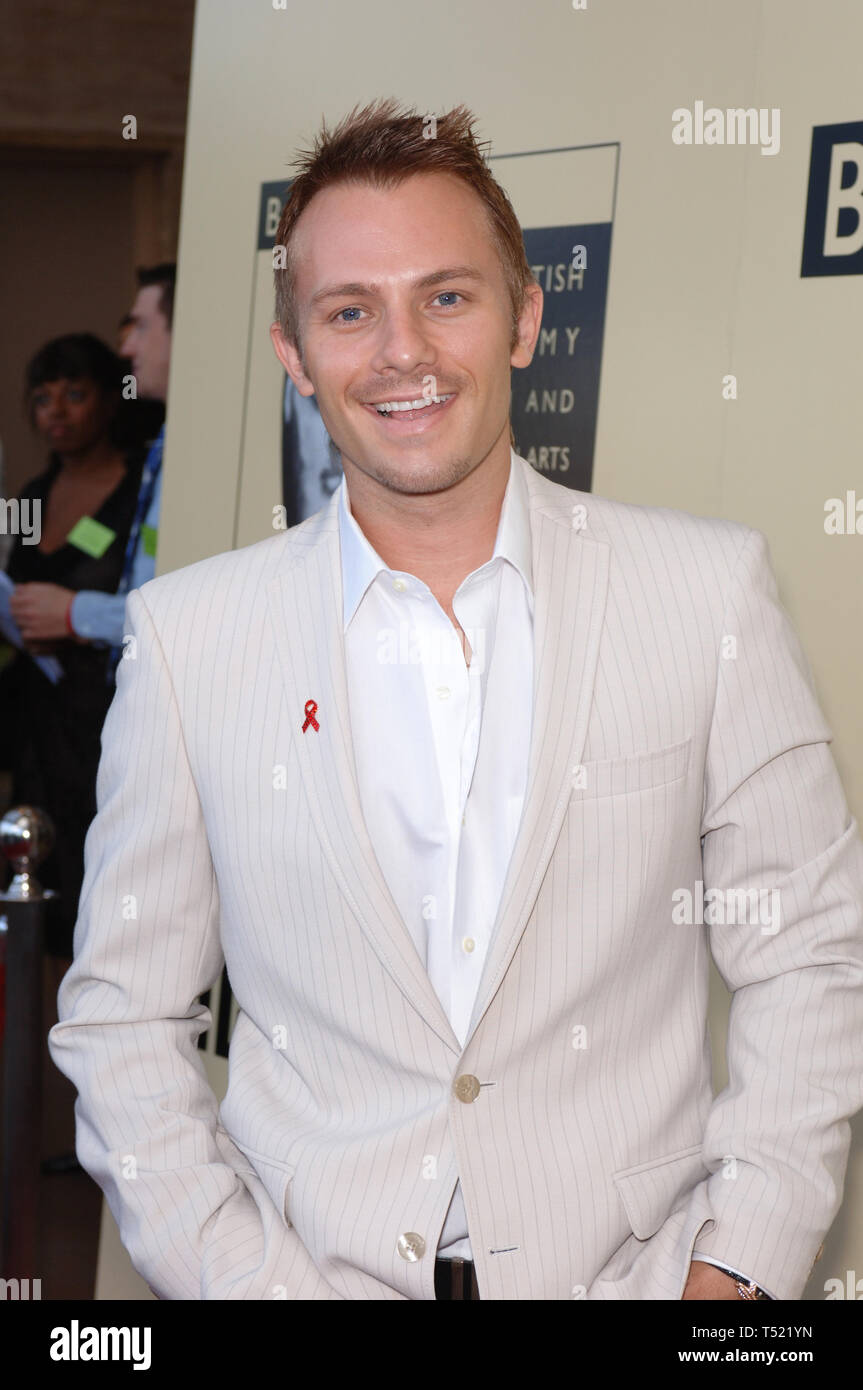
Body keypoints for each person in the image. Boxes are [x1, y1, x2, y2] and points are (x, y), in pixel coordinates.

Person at [49, 99, 863, 1301]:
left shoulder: (703, 592)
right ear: (294, 354)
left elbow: (809, 954)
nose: (402, 354)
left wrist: (732, 1272)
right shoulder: (189, 640)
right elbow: (122, 1023)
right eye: (348, 310)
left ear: (526, 316)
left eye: (445, 296)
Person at [4, 333, 146, 959]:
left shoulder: (141, 488)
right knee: (32, 865)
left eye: (75, 395)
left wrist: (71, 619)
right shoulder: (30, 495)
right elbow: (11, 574)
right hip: (36, 709)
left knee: (102, 879)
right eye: (41, 400)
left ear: (109, 402)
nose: (55, 413)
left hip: (107, 713)